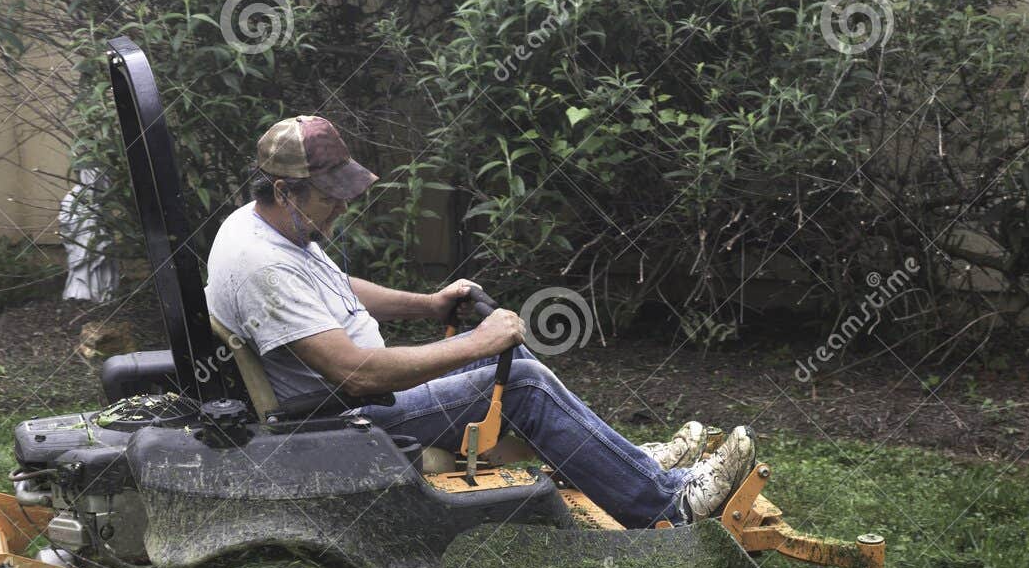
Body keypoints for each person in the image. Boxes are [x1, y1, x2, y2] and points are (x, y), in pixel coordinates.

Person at [204, 114, 756, 528]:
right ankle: (668, 503)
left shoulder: (271, 226)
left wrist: (428, 303)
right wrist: (476, 342)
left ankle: (629, 465)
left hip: (357, 399)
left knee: (509, 363)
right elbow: (357, 377)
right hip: (348, 419)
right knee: (522, 382)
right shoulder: (264, 263)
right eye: (330, 197)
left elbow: (335, 289)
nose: (343, 208)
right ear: (284, 190)